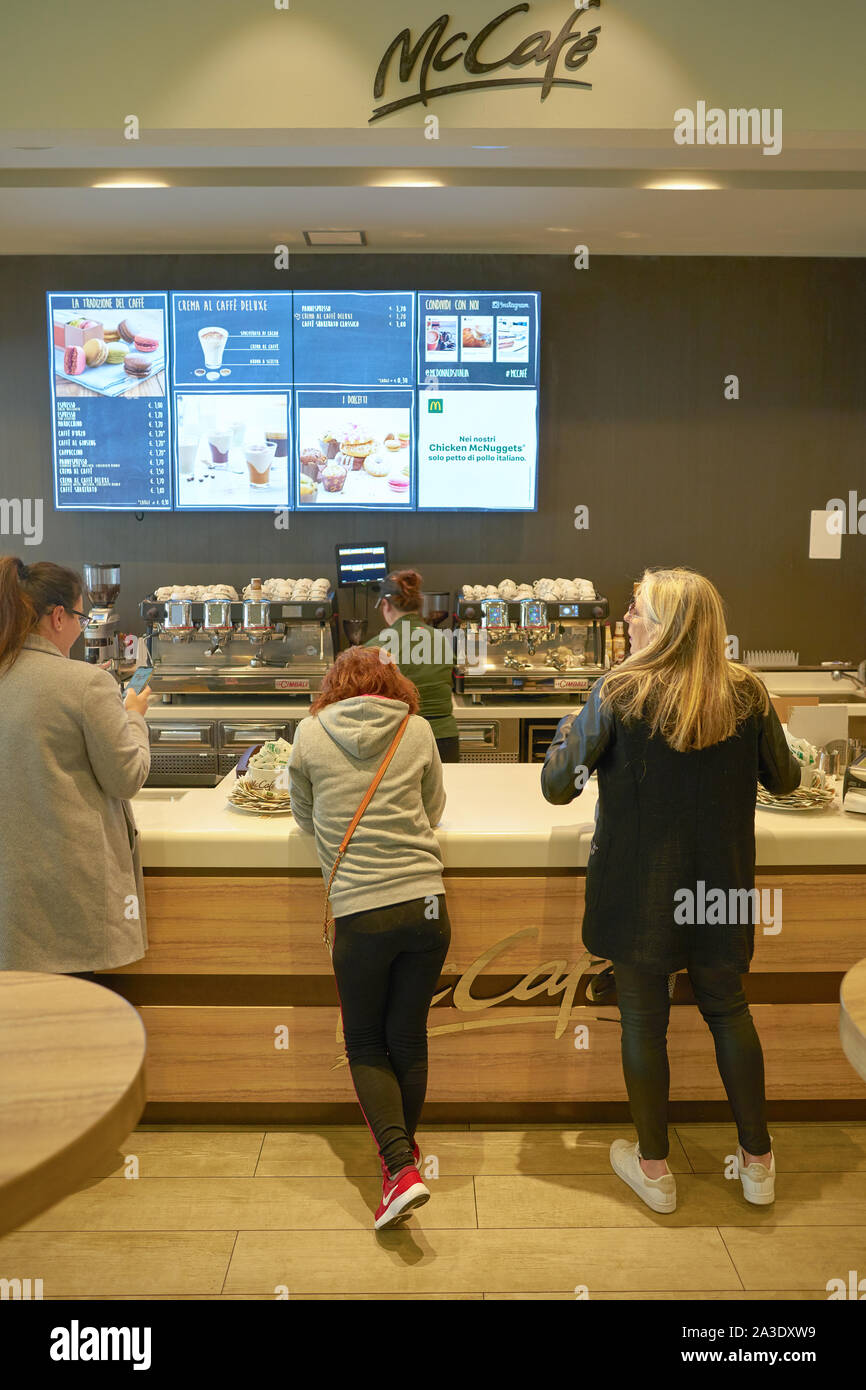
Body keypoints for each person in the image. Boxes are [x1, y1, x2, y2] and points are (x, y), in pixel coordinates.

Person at [541, 567, 800, 1214]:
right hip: (724, 887)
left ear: (666, 626)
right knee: (728, 1009)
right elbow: (789, 780)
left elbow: (557, 784)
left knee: (644, 1020)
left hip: (640, 891)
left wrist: (567, 730)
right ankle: (758, 1162)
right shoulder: (747, 692)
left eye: (636, 612)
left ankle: (654, 1171)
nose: (626, 620)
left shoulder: (619, 690)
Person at [288, 645, 449, 1229]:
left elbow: (303, 818)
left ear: (334, 686)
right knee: (407, 1036)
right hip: (428, 908)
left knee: (364, 1043)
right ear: (394, 684)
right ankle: (402, 1166)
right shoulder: (419, 728)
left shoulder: (308, 735)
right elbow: (433, 809)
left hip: (361, 911)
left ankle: (400, 1170)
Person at [0, 556, 152, 975]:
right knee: (86, 1033)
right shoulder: (85, 683)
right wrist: (134, 715)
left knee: (23, 1033)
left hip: (10, 913)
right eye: (82, 617)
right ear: (59, 616)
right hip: (70, 908)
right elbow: (127, 778)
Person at [365, 568, 460, 762]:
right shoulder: (444, 640)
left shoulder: (375, 647)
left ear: (385, 605)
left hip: (401, 739)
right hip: (444, 739)